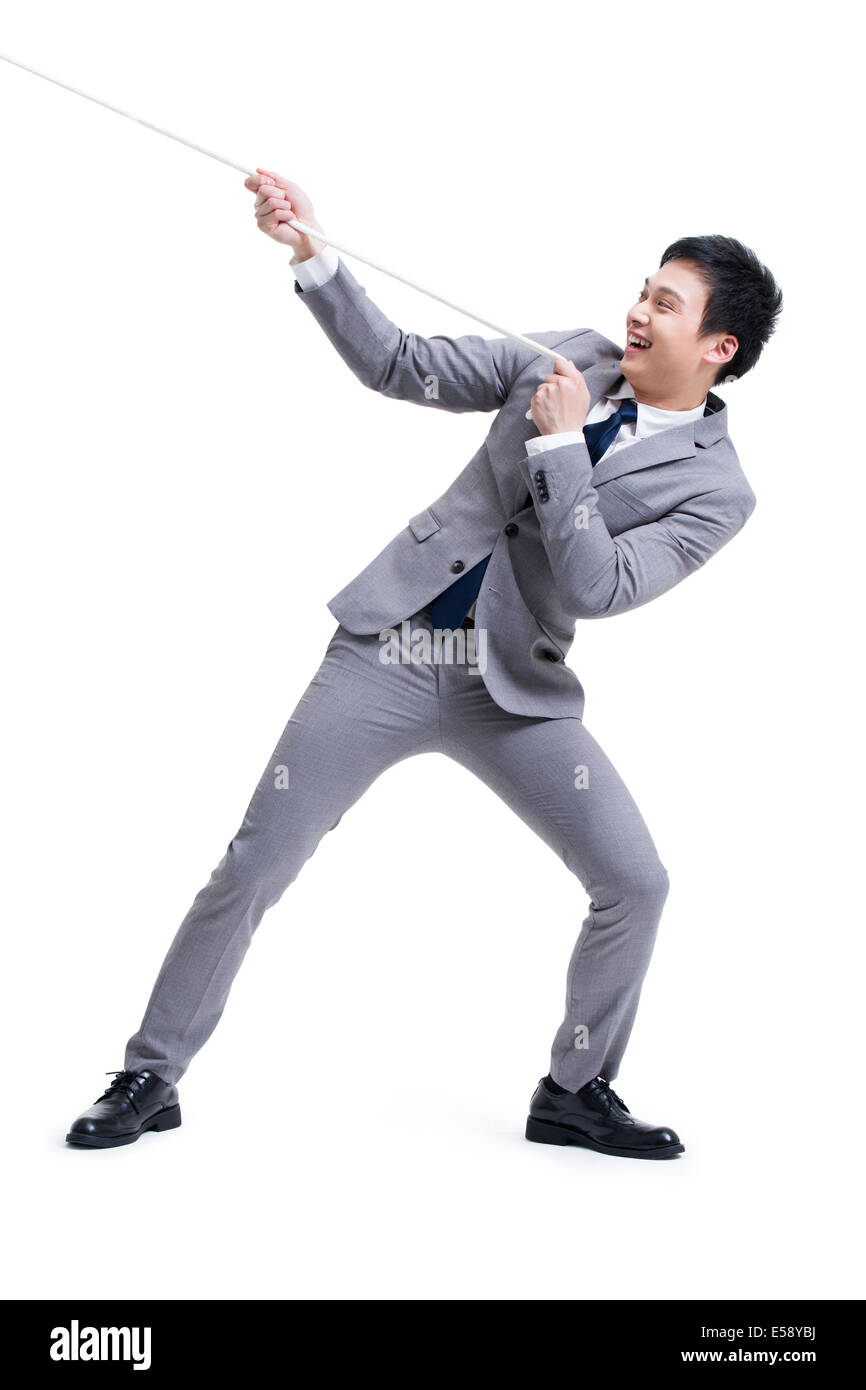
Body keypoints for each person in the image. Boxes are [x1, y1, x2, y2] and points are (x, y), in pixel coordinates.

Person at [66, 169, 782, 1158]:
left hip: (516, 691)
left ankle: (574, 1089)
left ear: (716, 347)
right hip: (390, 648)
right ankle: (151, 1070)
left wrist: (562, 447)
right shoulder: (565, 355)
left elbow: (597, 587)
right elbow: (399, 362)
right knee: (256, 859)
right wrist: (311, 251)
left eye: (665, 302)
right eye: (642, 287)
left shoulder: (717, 489)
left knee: (635, 880)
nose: (635, 309)